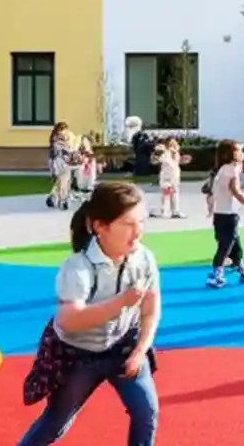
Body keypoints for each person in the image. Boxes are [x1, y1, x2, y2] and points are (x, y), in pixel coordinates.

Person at [19, 182, 161, 445]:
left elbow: (151, 310)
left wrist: (140, 350)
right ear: (99, 226)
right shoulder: (78, 267)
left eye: (142, 221)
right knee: (56, 422)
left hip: (123, 346)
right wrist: (120, 303)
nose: (138, 231)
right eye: (128, 223)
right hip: (78, 354)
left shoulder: (144, 259)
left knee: (146, 411)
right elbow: (69, 319)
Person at [205, 140, 244, 289]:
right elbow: (238, 194)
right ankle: (218, 275)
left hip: (221, 214)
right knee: (226, 246)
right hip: (228, 215)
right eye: (239, 150)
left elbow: (214, 193)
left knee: (235, 246)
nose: (242, 153)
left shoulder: (224, 169)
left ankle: (243, 271)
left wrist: (210, 207)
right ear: (230, 154)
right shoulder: (231, 170)